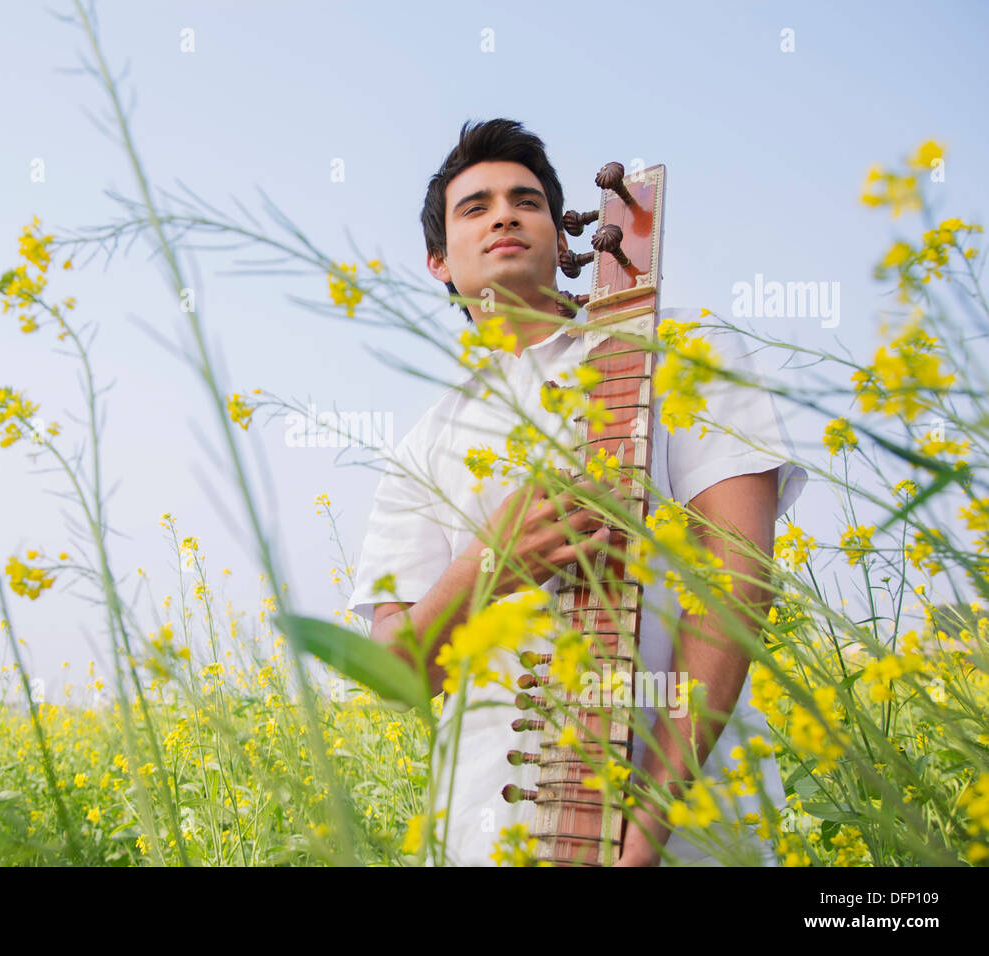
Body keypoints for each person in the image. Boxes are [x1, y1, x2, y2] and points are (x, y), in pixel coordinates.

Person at [344, 118, 807, 866]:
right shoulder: (419, 449)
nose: (503, 214)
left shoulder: (676, 348)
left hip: (689, 829)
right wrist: (489, 562)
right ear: (437, 263)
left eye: (526, 200)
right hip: (484, 839)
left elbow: (736, 581)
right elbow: (397, 671)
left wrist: (649, 822)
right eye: (475, 207)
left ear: (564, 240)